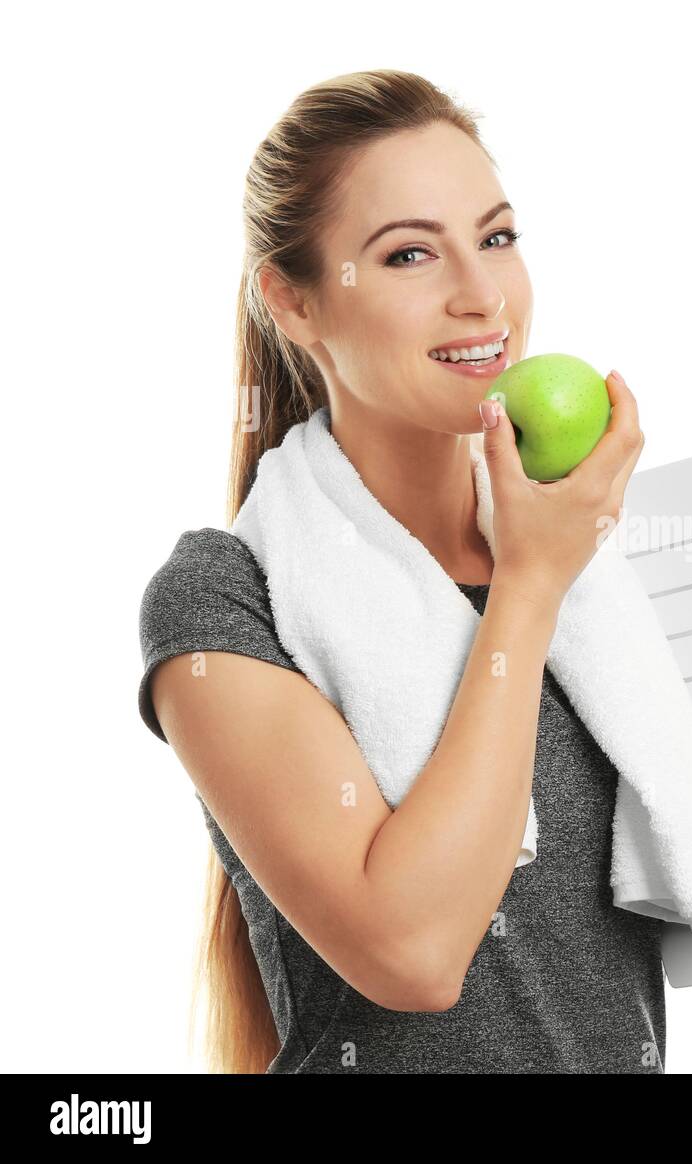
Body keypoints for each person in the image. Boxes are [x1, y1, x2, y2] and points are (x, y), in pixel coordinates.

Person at [136, 69, 658, 1074]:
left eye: (496, 237)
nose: (481, 294)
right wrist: (527, 590)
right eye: (410, 253)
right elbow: (413, 954)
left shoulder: (602, 568)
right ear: (292, 303)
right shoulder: (223, 601)